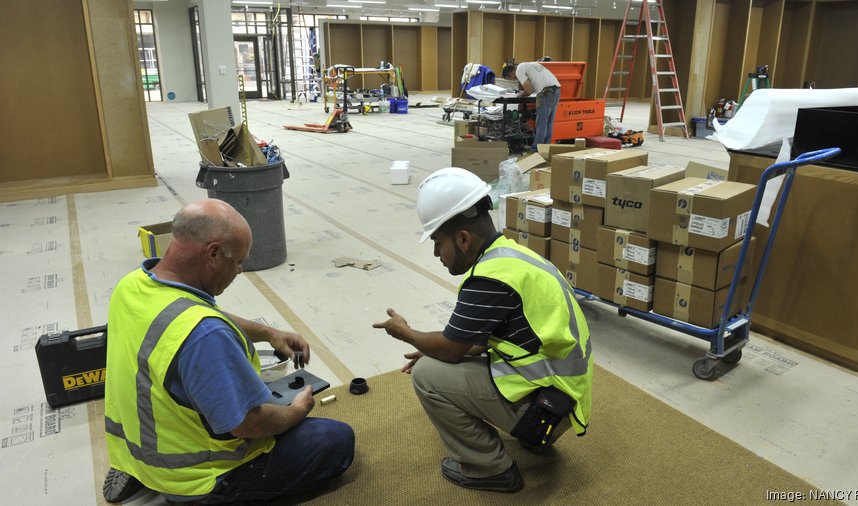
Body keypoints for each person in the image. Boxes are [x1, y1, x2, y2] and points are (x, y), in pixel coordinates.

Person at [103, 199, 354, 504]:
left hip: (139, 445)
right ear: (212, 253)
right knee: (335, 440)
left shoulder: (132, 285)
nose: (239, 270)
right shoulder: (204, 335)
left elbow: (189, 313)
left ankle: (141, 473)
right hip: (198, 478)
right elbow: (250, 424)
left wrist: (269, 333)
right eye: (237, 262)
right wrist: (298, 411)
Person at [373, 168, 593, 493]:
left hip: (547, 409)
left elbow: (450, 348)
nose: (437, 255)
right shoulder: (515, 257)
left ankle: (488, 469)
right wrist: (436, 347)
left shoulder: (489, 280)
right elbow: (494, 339)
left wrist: (406, 332)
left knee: (428, 375)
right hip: (562, 399)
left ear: (463, 238)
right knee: (443, 358)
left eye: (438, 243)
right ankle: (534, 440)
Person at [502, 61, 562, 152]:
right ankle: (545, 150)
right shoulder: (528, 65)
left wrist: (520, 95)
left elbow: (528, 90)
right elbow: (533, 84)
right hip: (556, 90)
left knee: (541, 124)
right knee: (549, 123)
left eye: (512, 79)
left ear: (511, 73)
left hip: (546, 92)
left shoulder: (519, 70)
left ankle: (535, 150)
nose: (514, 80)